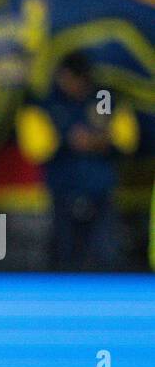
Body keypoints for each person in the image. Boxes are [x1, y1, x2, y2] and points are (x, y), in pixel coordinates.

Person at [18, 52, 138, 269]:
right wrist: (66, 140)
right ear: (62, 76)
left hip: (101, 188)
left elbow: (127, 137)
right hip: (63, 187)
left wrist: (102, 140)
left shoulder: (102, 98)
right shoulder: (48, 102)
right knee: (64, 254)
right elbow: (35, 146)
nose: (77, 85)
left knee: (104, 256)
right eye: (73, 79)